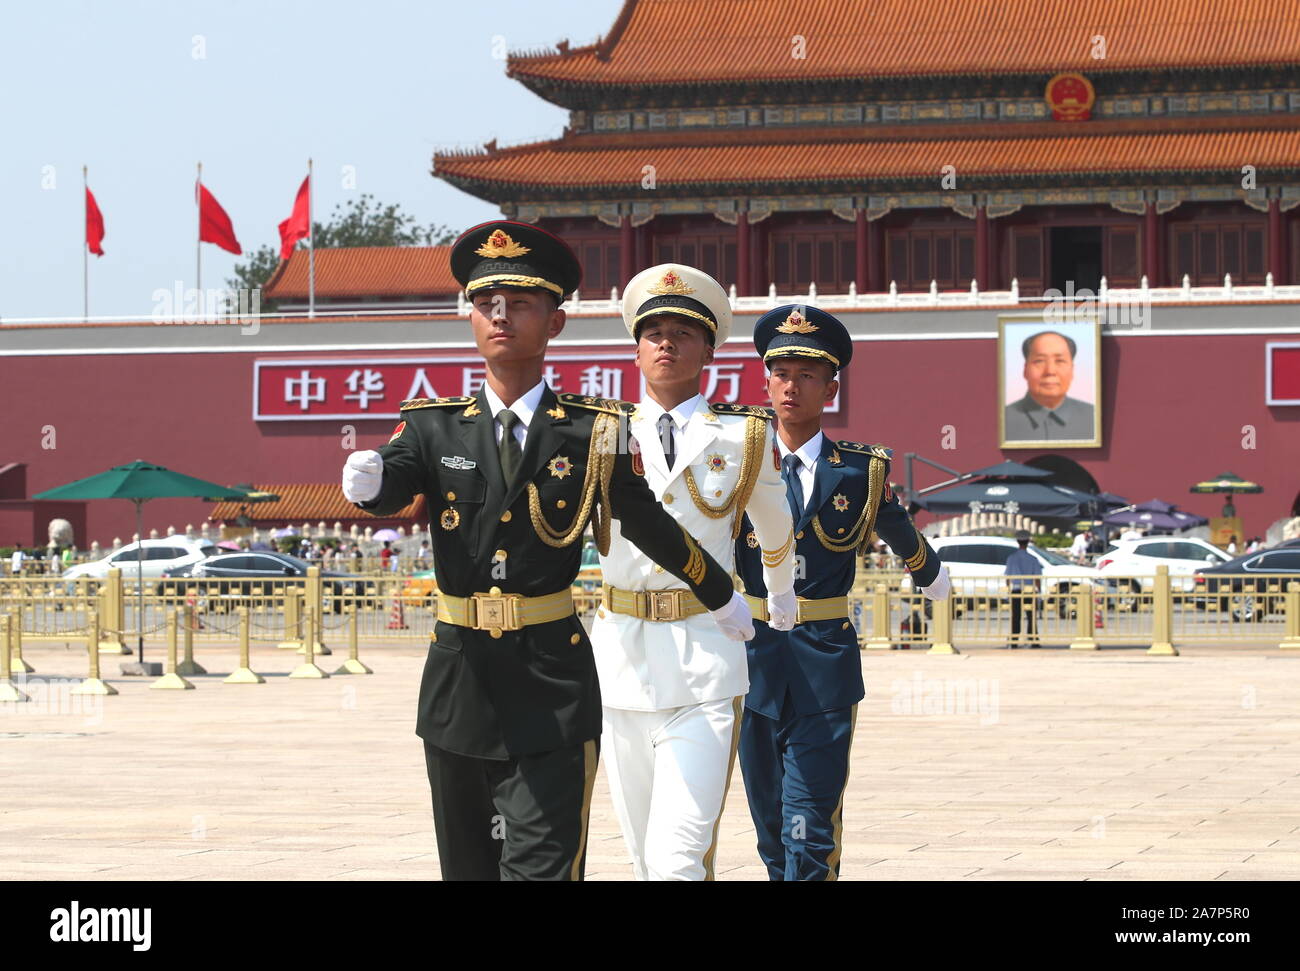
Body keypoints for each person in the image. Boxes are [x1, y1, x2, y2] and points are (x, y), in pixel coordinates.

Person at [341, 221, 752, 882]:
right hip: (461, 683)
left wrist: (718, 592)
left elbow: (645, 520)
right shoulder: (432, 425)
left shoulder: (595, 432)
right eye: (486, 303)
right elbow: (395, 481)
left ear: (556, 323)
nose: (500, 316)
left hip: (551, 684)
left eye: (521, 303)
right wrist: (371, 486)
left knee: (542, 869)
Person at [590, 264, 797, 881]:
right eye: (652, 330)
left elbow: (775, 527)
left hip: (705, 654)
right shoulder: (601, 433)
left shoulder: (742, 435)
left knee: (678, 854)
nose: (666, 342)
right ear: (635, 347)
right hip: (621, 658)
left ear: (709, 347)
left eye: (683, 331)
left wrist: (781, 596)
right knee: (641, 856)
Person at [734, 304, 951, 880]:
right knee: (770, 823)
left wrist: (929, 573)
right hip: (750, 656)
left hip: (822, 658)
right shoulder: (735, 462)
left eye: (807, 375)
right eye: (781, 372)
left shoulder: (859, 471)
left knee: (811, 817)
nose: (791, 386)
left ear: (831, 388)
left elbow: (899, 528)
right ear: (766, 380)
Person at [1003, 331, 1095, 442]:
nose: (1050, 371)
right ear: (1025, 370)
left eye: (1060, 361)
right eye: (1040, 361)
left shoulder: (1093, 418)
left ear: (1072, 370)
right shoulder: (1002, 420)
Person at [1005, 530, 1043, 648]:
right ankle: (1033, 639)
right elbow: (1037, 577)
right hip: (1029, 590)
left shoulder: (1011, 558)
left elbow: (1008, 577)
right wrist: (1039, 590)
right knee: (1031, 616)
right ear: (1027, 542)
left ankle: (1014, 640)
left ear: (1017, 541)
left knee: (1016, 616)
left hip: (1016, 590)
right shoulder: (1033, 559)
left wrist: (1008, 589)